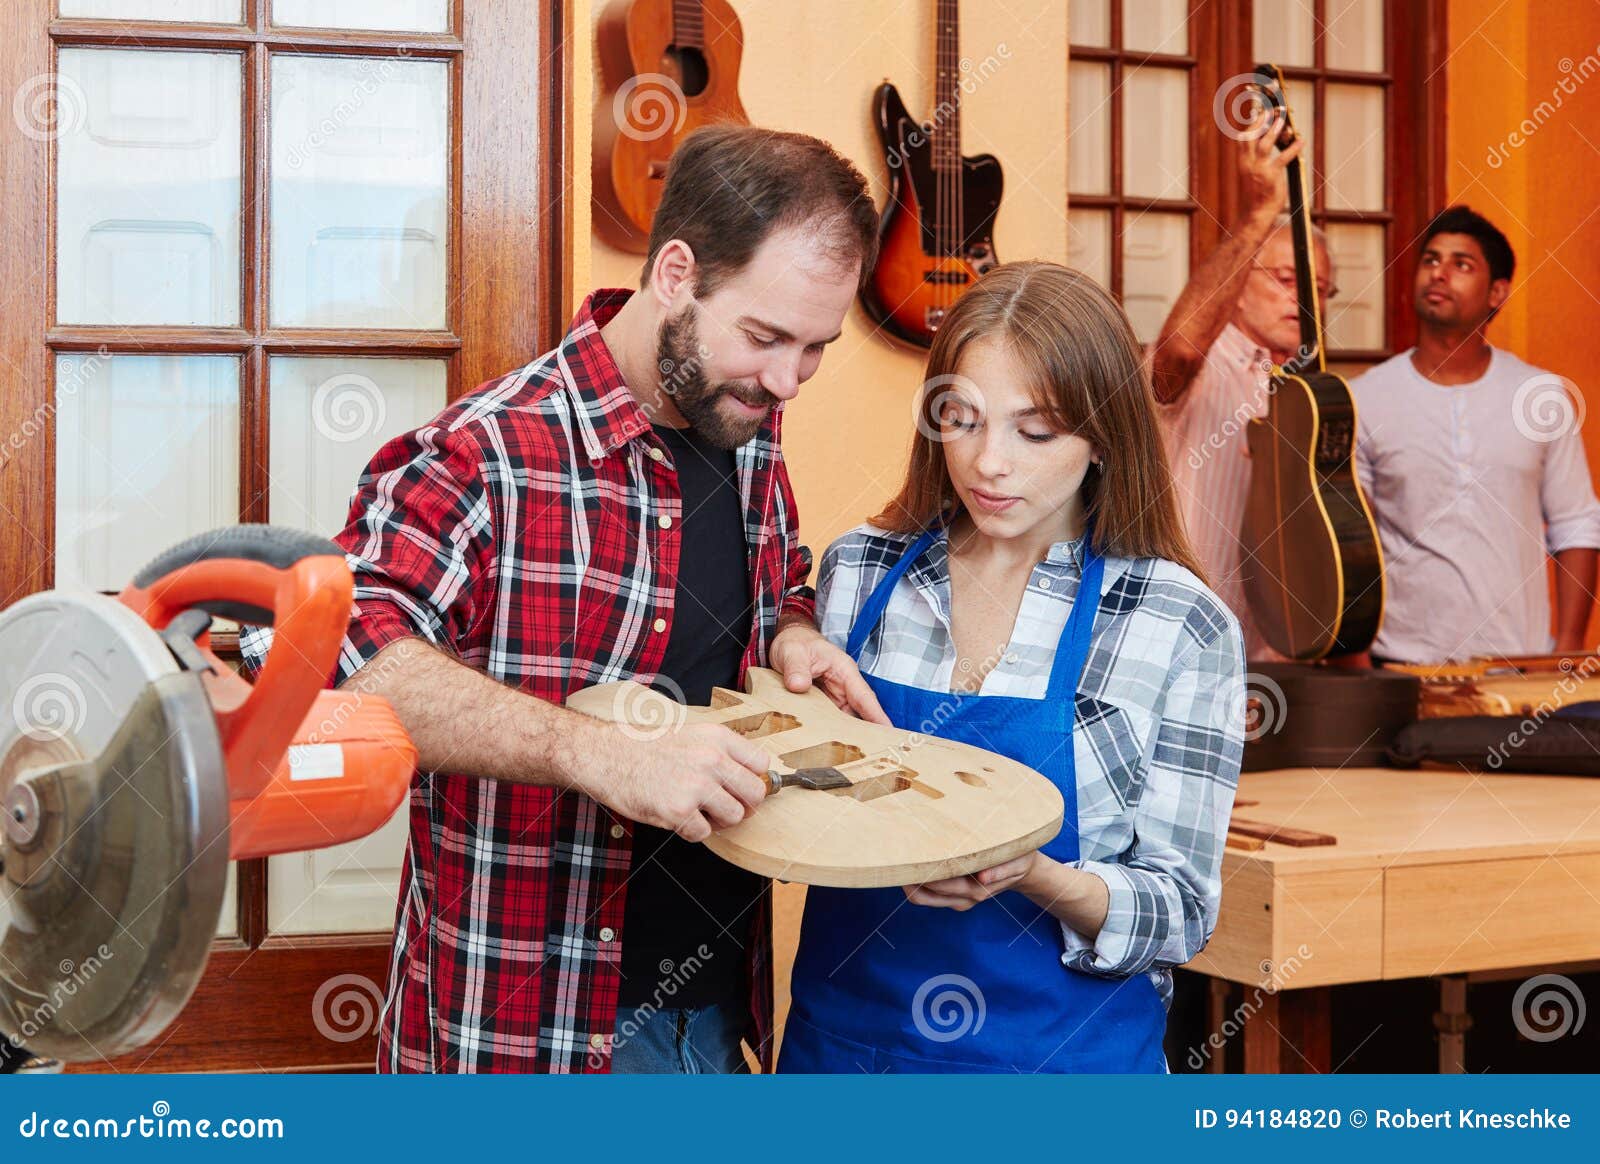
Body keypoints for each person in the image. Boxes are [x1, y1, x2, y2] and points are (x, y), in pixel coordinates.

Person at [245, 125, 888, 1073]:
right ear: (675, 273)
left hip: (711, 1019)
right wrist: (594, 752)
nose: (788, 380)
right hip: (523, 1037)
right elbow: (342, 664)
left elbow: (777, 567)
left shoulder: (745, 421)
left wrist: (792, 626)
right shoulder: (482, 454)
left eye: (817, 349)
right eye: (764, 337)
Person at [779, 262, 1246, 1073]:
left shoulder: (1177, 622)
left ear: (1103, 437)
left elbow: (1182, 911)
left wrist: (1036, 876)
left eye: (1036, 432)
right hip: (849, 1056)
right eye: (962, 419)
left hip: (1064, 1074)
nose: (989, 462)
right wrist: (786, 633)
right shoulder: (860, 574)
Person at [1352, 206, 1600, 664]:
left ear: (1497, 292)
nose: (1439, 274)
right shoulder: (1365, 398)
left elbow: (1576, 524)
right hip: (1403, 667)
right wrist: (1358, 661)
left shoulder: (1540, 396)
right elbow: (1347, 543)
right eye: (1430, 260)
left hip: (1518, 666)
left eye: (1461, 264)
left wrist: (1566, 649)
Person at [1150, 105, 1336, 661]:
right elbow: (1180, 346)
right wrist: (1260, 214)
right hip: (1169, 647)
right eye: (1286, 279)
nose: (1306, 299)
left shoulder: (1310, 392)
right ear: (1240, 280)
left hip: (1262, 664)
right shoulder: (1201, 367)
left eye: (1322, 289)